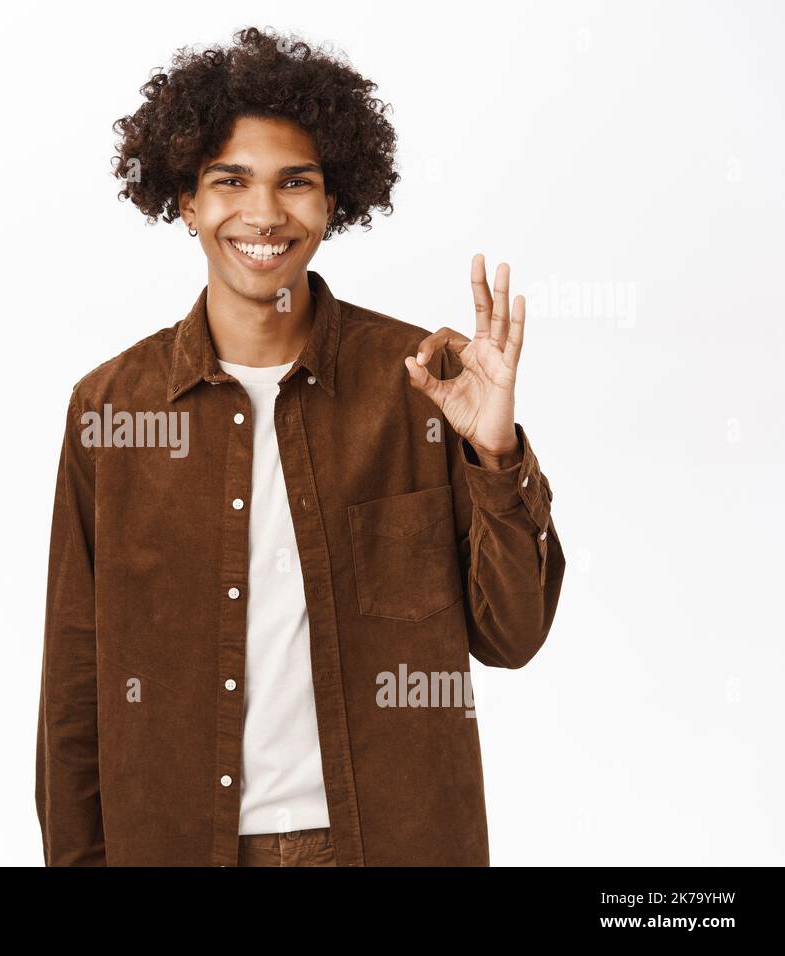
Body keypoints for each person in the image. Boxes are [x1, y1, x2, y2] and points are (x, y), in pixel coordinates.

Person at [35, 26, 565, 867]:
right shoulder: (111, 411)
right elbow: (74, 688)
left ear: (333, 203)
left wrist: (494, 456)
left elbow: (514, 636)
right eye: (230, 181)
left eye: (296, 183)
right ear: (185, 202)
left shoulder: (422, 385)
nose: (263, 213)